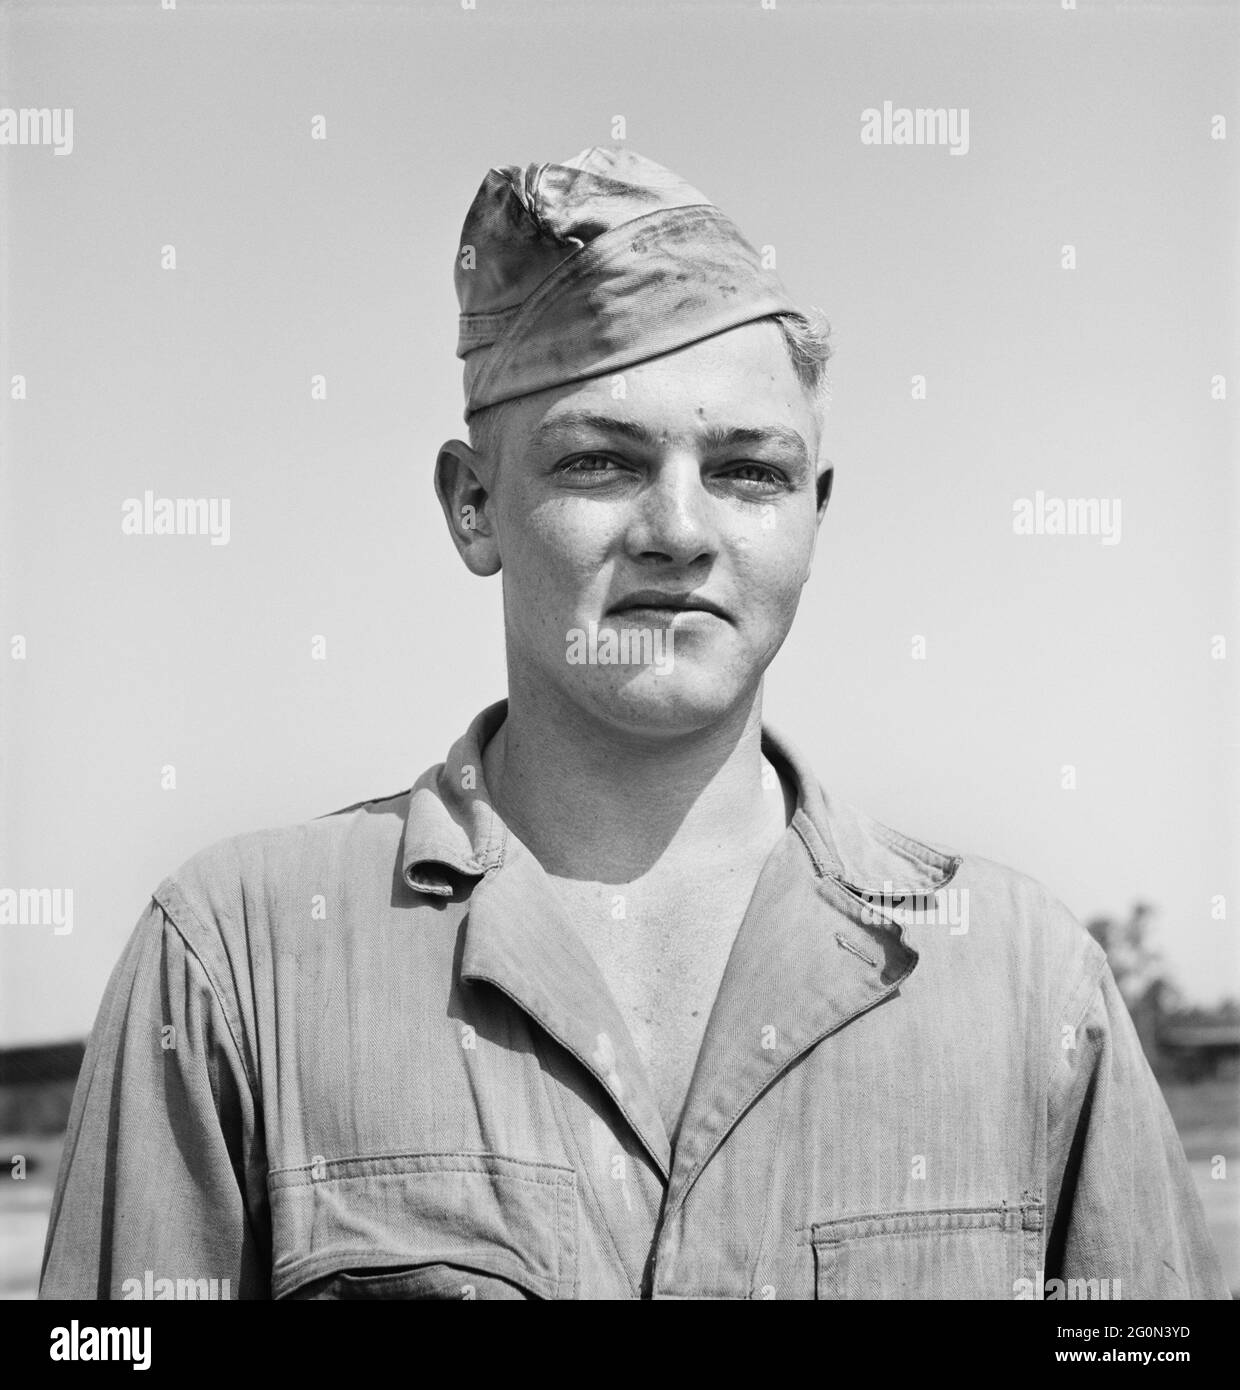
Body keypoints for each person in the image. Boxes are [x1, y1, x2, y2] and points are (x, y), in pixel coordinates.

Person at [40, 147, 1228, 1300]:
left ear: (814, 515)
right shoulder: (243, 959)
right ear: (472, 505)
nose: (680, 528)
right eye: (602, 463)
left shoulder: (1014, 978)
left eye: (749, 470)